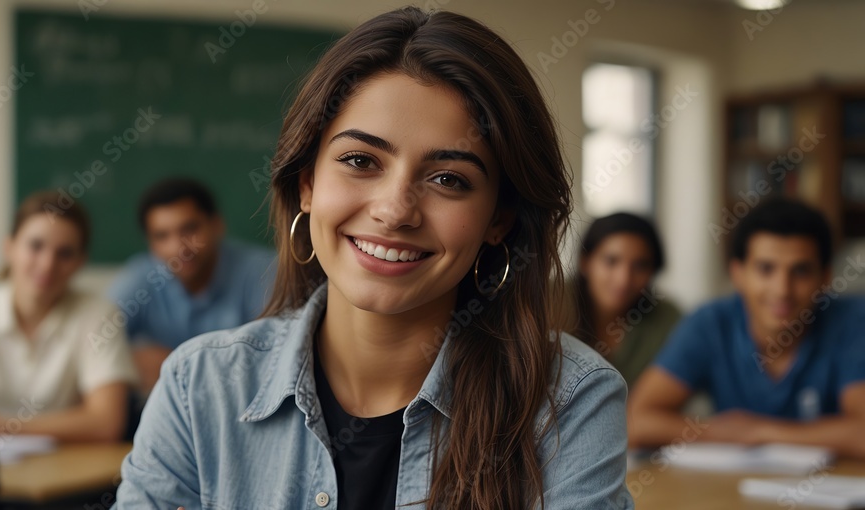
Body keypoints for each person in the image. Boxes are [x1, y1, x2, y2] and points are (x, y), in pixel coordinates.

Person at [117, 7, 632, 509]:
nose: (394, 210)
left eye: (449, 179)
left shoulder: (568, 401)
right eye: (360, 161)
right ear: (308, 185)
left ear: (499, 218)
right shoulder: (199, 386)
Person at [628, 199, 865, 458]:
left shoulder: (853, 323)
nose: (782, 290)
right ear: (738, 273)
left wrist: (760, 432)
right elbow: (636, 423)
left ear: (825, 278)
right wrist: (725, 432)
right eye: (766, 269)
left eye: (801, 271)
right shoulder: (710, 324)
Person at [0, 191, 137, 442]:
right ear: (9, 247)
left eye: (65, 253)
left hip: (71, 475)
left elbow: (107, 423)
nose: (47, 264)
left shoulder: (98, 315)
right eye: (35, 246)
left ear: (80, 262)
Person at [108, 178, 276, 393]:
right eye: (162, 236)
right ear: (150, 243)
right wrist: (128, 358)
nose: (179, 247)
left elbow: (277, 357)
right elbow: (93, 340)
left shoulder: (265, 272)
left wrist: (176, 364)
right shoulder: (141, 277)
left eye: (189, 229)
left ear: (217, 225)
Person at [567, 213, 681, 387]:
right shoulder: (545, 303)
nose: (624, 279)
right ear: (585, 262)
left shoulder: (667, 319)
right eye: (611, 261)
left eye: (640, 265)